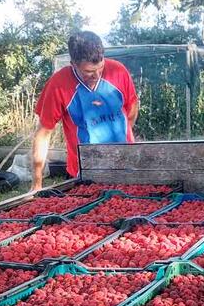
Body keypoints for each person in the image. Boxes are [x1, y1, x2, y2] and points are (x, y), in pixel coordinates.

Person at [30, 30, 139, 191]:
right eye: (89, 71)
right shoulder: (58, 84)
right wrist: (36, 183)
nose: (96, 74)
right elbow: (44, 133)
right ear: (73, 63)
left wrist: (125, 137)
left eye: (100, 68)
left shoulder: (118, 71)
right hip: (82, 173)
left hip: (125, 166)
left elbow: (132, 107)